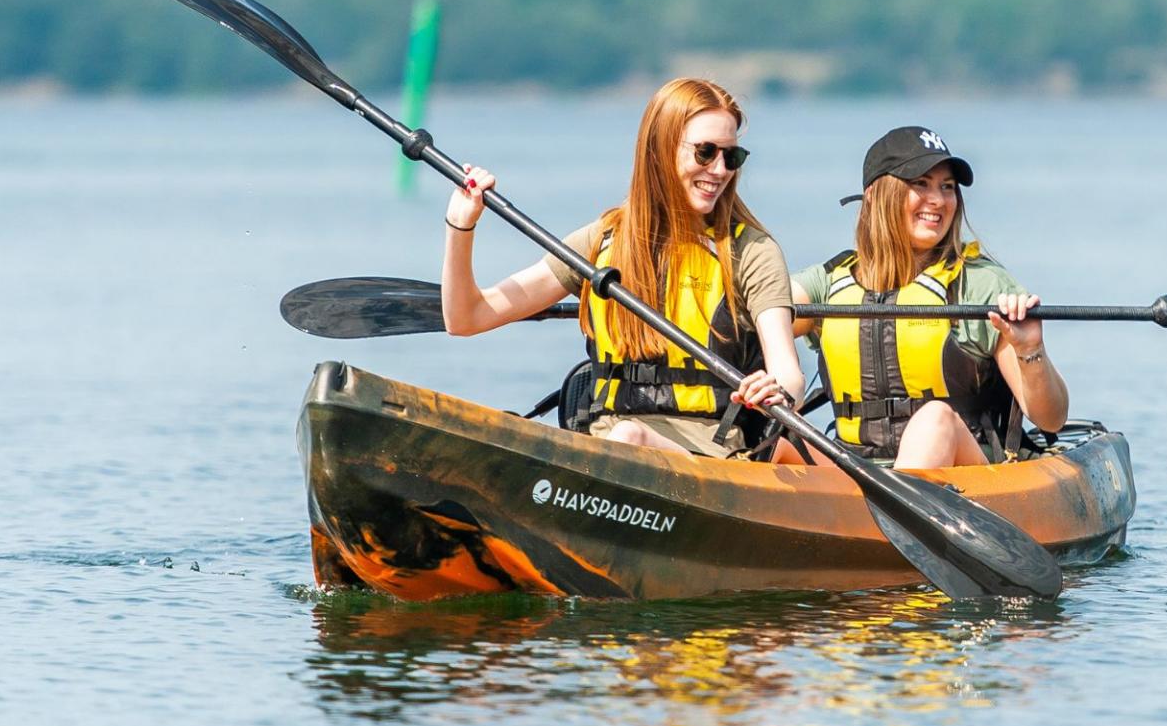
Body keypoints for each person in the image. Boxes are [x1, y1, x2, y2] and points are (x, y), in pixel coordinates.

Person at [441, 78, 804, 457]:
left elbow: (788, 373)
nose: (719, 170)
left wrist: (775, 391)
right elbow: (467, 318)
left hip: (710, 453)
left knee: (632, 439)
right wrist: (461, 225)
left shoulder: (751, 251)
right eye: (705, 152)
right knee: (626, 437)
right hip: (606, 443)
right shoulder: (600, 243)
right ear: (660, 150)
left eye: (731, 157)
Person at [786, 126, 1068, 468]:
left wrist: (1030, 349)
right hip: (857, 470)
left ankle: (887, 514)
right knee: (773, 429)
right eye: (921, 183)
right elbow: (760, 310)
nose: (938, 200)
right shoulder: (829, 283)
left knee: (935, 420)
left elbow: (1050, 419)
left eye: (947, 187)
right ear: (875, 195)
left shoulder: (980, 285)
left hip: (967, 475)